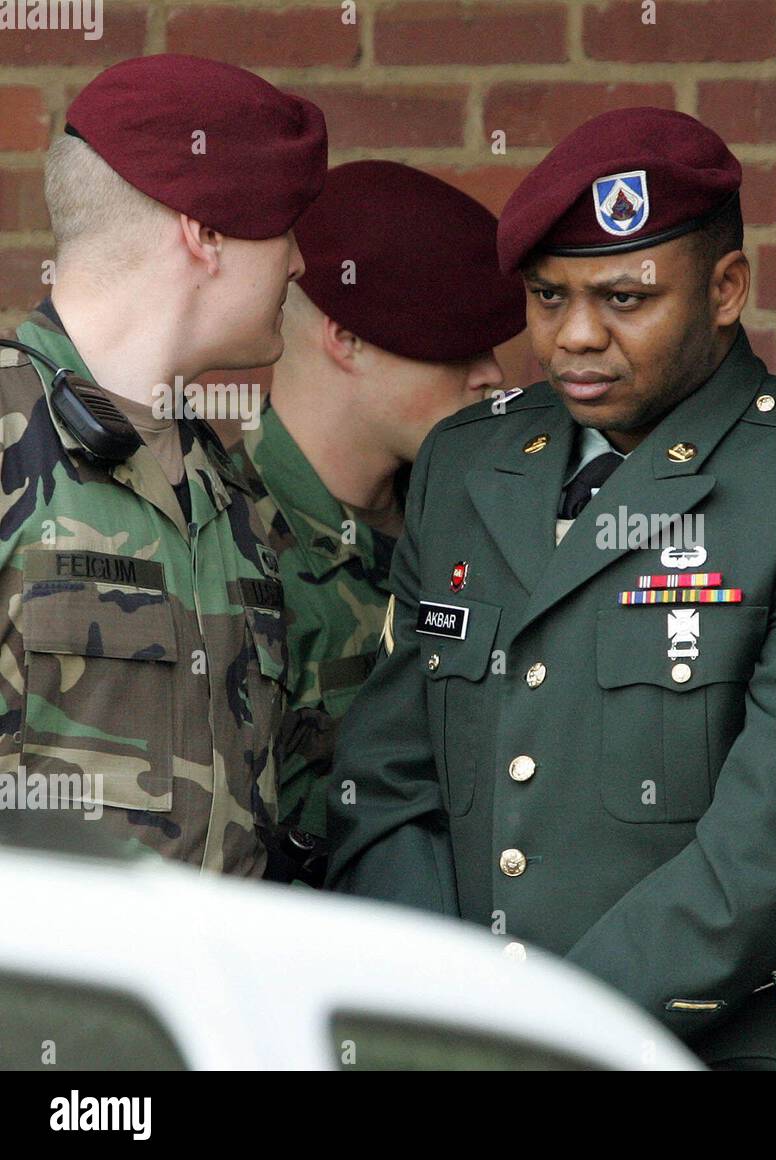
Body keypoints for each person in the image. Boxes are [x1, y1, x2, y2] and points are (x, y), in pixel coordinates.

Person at [325, 107, 776, 1069]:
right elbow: (386, 783)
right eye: (548, 298)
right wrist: (435, 1013)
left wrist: (539, 1038)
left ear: (726, 289)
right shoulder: (467, 462)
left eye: (626, 299)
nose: (575, 337)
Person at [0, 54, 327, 875]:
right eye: (284, 226)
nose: (298, 265)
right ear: (204, 232)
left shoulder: (234, 496)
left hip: (200, 996)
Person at [231, 161, 525, 885]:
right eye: (450, 343)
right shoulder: (221, 543)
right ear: (345, 337)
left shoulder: (476, 533)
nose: (490, 374)